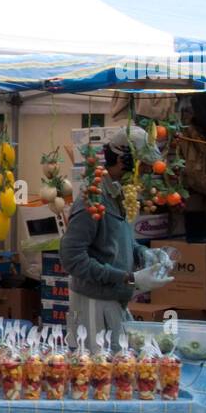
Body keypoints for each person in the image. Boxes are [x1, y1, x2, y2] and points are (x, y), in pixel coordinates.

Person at [60, 125, 173, 347]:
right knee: (97, 372)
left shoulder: (119, 196)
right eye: (144, 167)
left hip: (114, 300)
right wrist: (128, 278)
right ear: (124, 162)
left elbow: (120, 243)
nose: (148, 174)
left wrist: (144, 254)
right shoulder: (93, 201)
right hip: (93, 304)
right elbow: (71, 258)